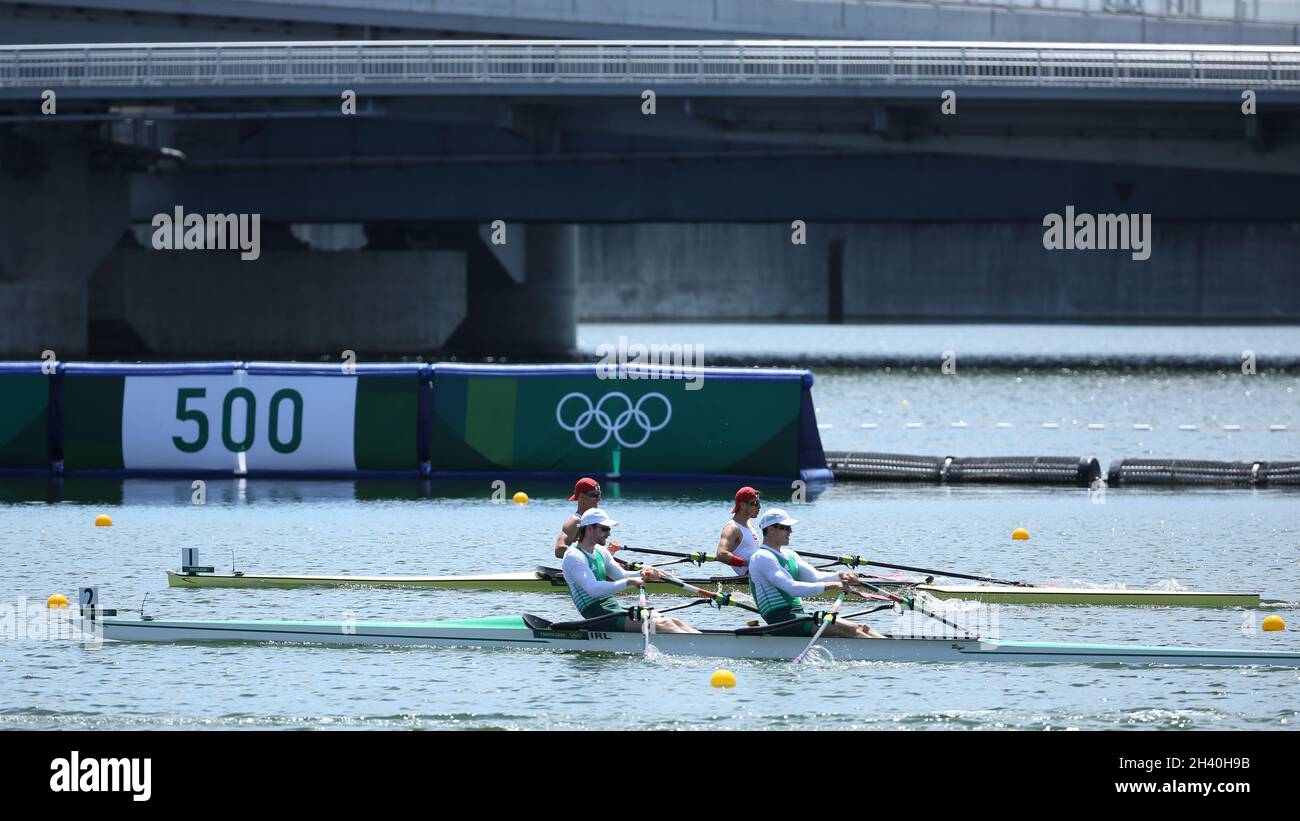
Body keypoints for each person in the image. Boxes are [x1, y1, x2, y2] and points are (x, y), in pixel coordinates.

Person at [747, 508, 883, 639]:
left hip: (799, 616)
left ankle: (898, 651)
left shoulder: (790, 555)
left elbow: (815, 577)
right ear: (771, 529)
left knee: (862, 627)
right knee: (851, 631)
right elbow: (792, 588)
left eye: (790, 528)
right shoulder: (762, 557)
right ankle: (886, 654)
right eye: (786, 528)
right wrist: (836, 585)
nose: (790, 531)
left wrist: (841, 575)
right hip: (781, 620)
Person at [560, 508, 699, 634]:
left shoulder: (601, 551)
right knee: (664, 624)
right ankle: (702, 647)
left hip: (612, 609)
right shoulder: (574, 556)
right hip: (596, 616)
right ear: (589, 528)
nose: (609, 534)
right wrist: (629, 582)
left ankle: (705, 641)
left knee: (673, 621)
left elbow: (621, 575)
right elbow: (593, 590)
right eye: (604, 529)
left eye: (609, 529)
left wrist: (645, 573)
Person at [553, 477, 621, 559]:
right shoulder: (576, 521)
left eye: (599, 494)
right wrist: (589, 555)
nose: (598, 499)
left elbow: (593, 551)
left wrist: (608, 551)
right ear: (581, 496)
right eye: (594, 495)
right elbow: (559, 550)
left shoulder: (596, 519)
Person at [715, 486, 762, 574]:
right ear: (742, 505)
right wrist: (750, 563)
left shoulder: (749, 526)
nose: (759, 507)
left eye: (759, 503)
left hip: (758, 572)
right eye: (755, 503)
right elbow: (721, 554)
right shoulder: (732, 528)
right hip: (750, 575)